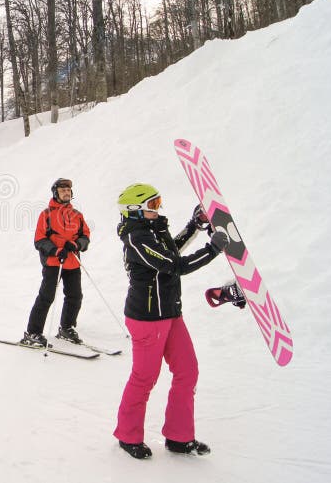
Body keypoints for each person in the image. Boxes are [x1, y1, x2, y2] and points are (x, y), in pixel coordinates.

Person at [112, 184, 230, 459]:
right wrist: (212, 250)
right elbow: (175, 265)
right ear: (135, 210)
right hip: (147, 318)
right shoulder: (136, 239)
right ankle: (127, 436)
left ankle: (179, 437)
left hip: (170, 314)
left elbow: (172, 249)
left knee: (188, 370)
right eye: (152, 205)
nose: (158, 209)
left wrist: (195, 224)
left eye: (158, 202)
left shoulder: (154, 229)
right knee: (144, 378)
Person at [20, 178, 91, 348]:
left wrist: (76, 244)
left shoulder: (77, 215)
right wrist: (55, 250)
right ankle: (33, 332)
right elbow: (39, 239)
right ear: (55, 193)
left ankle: (66, 328)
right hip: (54, 262)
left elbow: (86, 236)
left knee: (75, 296)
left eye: (68, 190)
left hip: (72, 262)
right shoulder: (46, 215)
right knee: (46, 297)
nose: (66, 192)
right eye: (62, 190)